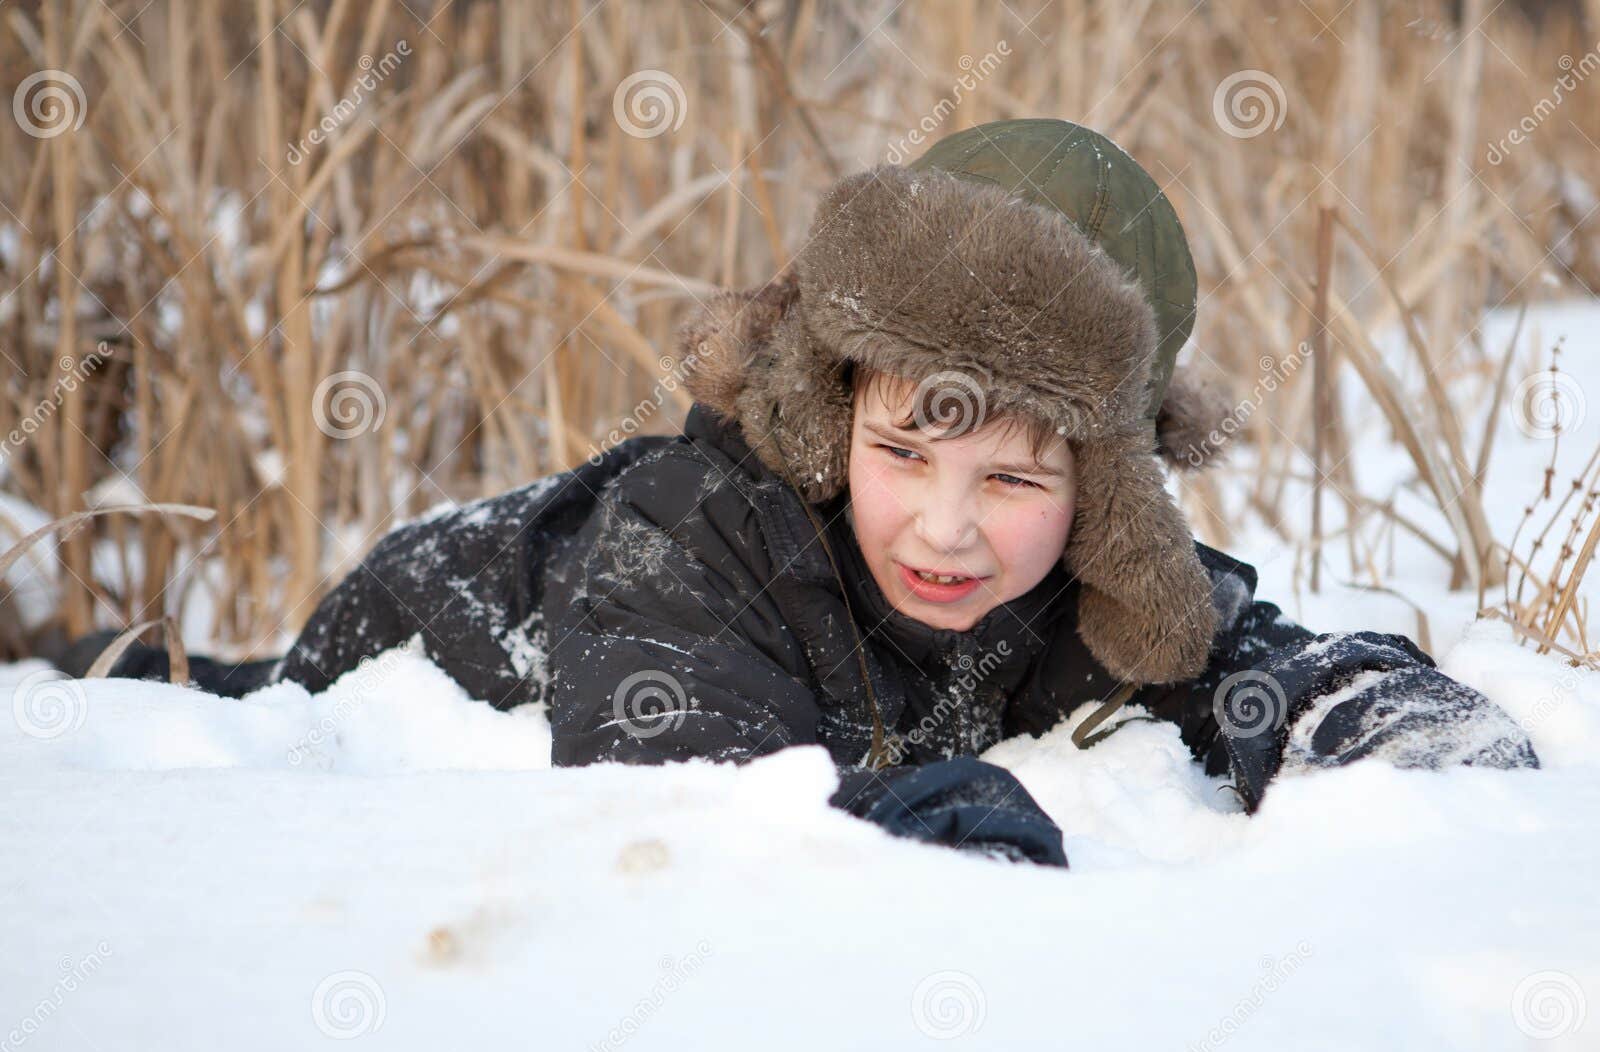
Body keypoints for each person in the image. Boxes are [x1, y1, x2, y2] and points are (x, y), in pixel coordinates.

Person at [59, 119, 1538, 868]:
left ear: (1109, 499)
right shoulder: (698, 535)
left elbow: (1252, 662)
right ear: (835, 415)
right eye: (903, 455)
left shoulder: (1105, 577)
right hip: (426, 623)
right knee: (183, 690)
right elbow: (687, 783)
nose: (946, 526)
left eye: (1013, 477)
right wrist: (922, 820)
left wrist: (1382, 721)